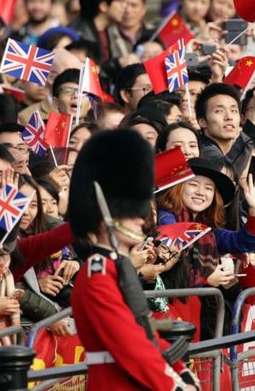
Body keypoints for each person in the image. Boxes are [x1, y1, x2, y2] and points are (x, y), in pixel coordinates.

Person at [69, 129, 199, 391]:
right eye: (131, 213)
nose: (141, 218)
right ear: (109, 217)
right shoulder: (97, 275)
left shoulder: (116, 268)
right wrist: (171, 385)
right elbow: (128, 343)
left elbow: (145, 332)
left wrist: (181, 370)